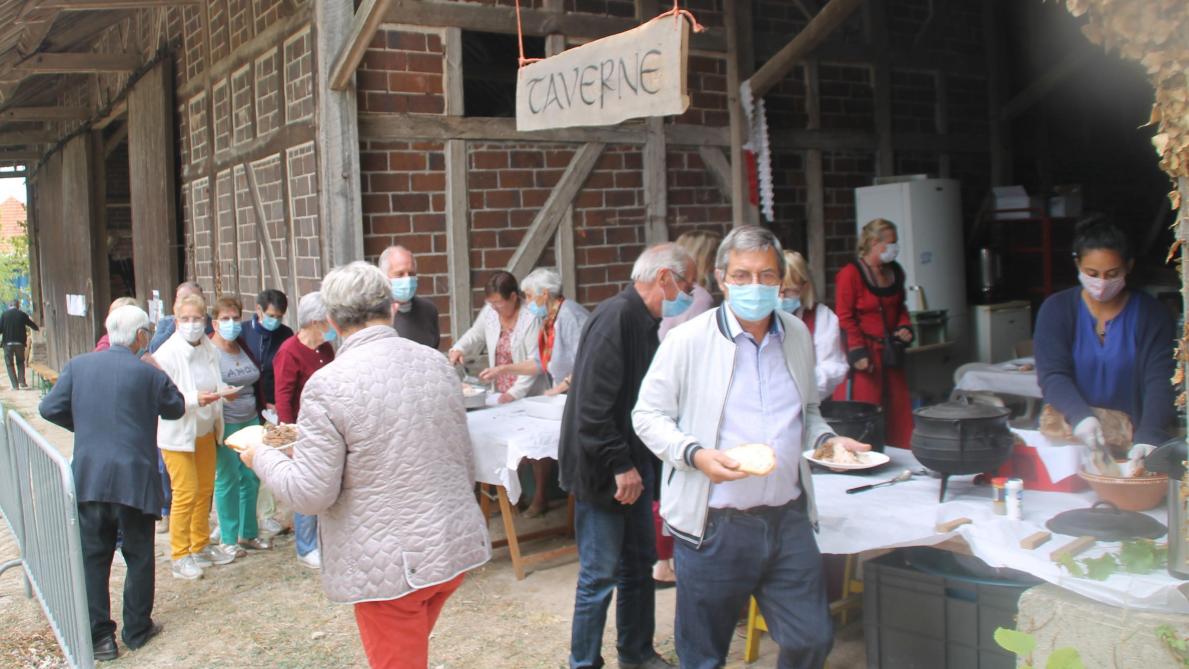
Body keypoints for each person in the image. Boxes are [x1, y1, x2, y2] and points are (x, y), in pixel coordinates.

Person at [632, 226, 870, 669]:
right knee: (703, 656)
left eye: (766, 275)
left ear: (782, 280)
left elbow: (808, 410)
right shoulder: (689, 340)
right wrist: (696, 455)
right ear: (721, 279)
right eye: (742, 276)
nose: (754, 286)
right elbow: (647, 416)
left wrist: (828, 441)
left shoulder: (796, 334)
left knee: (811, 639)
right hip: (714, 525)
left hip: (787, 518)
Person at [241, 262, 490, 669]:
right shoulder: (437, 365)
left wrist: (261, 455)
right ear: (390, 308)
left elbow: (309, 494)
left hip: (392, 567)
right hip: (448, 546)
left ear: (334, 322)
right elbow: (460, 458)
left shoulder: (329, 384)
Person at [557, 243, 695, 669]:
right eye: (688, 284)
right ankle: (584, 663)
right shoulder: (616, 316)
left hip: (635, 466)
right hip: (604, 470)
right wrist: (621, 465)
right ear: (665, 279)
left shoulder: (644, 320)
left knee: (639, 566)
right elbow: (593, 409)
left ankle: (636, 654)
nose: (690, 293)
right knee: (599, 576)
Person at [39, 306, 184, 663]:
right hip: (134, 477)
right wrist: (159, 371)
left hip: (89, 476)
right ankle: (136, 629)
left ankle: (101, 638)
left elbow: (48, 408)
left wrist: (85, 427)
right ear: (140, 337)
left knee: (94, 557)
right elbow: (176, 408)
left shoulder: (78, 365)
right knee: (138, 555)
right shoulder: (148, 372)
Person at [1035, 218, 1175, 467]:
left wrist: (1150, 434)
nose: (1101, 283)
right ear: (1077, 264)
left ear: (1128, 267)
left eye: (1112, 274)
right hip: (1073, 439)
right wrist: (1081, 417)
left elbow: (1161, 378)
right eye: (1092, 273)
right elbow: (1053, 374)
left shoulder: (1152, 315)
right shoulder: (1056, 310)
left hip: (1135, 441)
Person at [479, 267, 590, 517]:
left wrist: (561, 386)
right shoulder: (550, 319)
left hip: (577, 396)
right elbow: (539, 363)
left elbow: (587, 361)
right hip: (564, 396)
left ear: (544, 294)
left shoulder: (570, 316)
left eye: (529, 296)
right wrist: (503, 369)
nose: (527, 301)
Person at [150, 293, 238, 580]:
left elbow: (215, 379)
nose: (192, 324)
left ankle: (200, 545)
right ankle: (180, 554)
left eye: (196, 319)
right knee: (185, 493)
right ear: (176, 321)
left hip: (204, 429)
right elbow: (165, 397)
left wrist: (224, 392)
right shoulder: (167, 353)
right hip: (178, 434)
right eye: (185, 319)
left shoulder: (208, 349)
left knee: (203, 491)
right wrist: (193, 399)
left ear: (205, 320)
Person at [832, 218, 914, 448]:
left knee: (898, 408)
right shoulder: (851, 274)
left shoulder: (895, 272)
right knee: (866, 407)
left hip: (890, 352)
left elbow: (900, 308)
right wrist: (857, 351)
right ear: (875, 243)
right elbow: (844, 316)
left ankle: (901, 452)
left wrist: (904, 327)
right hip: (866, 353)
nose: (894, 248)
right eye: (891, 243)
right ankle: (864, 452)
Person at [272, 291, 337, 569]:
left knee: (327, 485)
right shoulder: (289, 351)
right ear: (314, 322)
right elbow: (283, 395)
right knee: (306, 488)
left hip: (327, 425)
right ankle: (306, 545)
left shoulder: (325, 349)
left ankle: (326, 540)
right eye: (327, 321)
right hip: (301, 428)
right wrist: (288, 437)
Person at [209, 296, 271, 558]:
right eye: (225, 319)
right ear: (214, 322)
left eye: (235, 318)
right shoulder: (210, 352)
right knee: (228, 478)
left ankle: (249, 532)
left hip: (250, 418)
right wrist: (220, 393)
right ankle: (228, 538)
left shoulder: (242, 346)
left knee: (251, 475)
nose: (231, 323)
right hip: (226, 421)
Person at [241, 288, 293, 535]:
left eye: (280, 316)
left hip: (275, 407)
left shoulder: (285, 335)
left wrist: (276, 404)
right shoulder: (243, 332)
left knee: (271, 460)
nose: (275, 320)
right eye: (271, 315)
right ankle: (248, 516)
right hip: (251, 404)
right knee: (249, 464)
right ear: (259, 311)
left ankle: (269, 514)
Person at [447, 271, 545, 403]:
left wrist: (513, 394)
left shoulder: (531, 318)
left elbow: (535, 363)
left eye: (498, 303)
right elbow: (476, 333)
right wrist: (459, 348)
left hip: (529, 395)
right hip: (499, 391)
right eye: (490, 302)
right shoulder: (490, 310)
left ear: (513, 297)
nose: (494, 308)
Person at [782, 251, 848, 398]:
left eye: (788, 291)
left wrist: (798, 386)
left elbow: (833, 366)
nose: (781, 297)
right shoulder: (755, 319)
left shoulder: (821, 317)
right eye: (775, 290)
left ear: (804, 287)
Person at [658, 230, 720, 341]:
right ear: (705, 259)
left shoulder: (666, 290)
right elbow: (699, 344)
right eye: (716, 256)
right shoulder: (700, 298)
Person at [379, 244, 441, 350]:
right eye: (400, 274)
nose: (407, 279)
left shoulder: (429, 310)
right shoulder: (374, 313)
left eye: (411, 273)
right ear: (384, 277)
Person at [148, 282, 212, 353]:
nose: (188, 304)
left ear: (203, 300)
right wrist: (177, 324)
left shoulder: (214, 325)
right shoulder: (166, 322)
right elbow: (154, 349)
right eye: (183, 300)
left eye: (193, 299)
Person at [1, 298, 38, 389]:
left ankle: (15, 385)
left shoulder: (4, 315)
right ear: (18, 306)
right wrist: (37, 328)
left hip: (7, 344)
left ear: (9, 305)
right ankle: (22, 382)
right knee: (20, 362)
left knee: (9, 364)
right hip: (20, 344)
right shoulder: (22, 314)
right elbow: (31, 324)